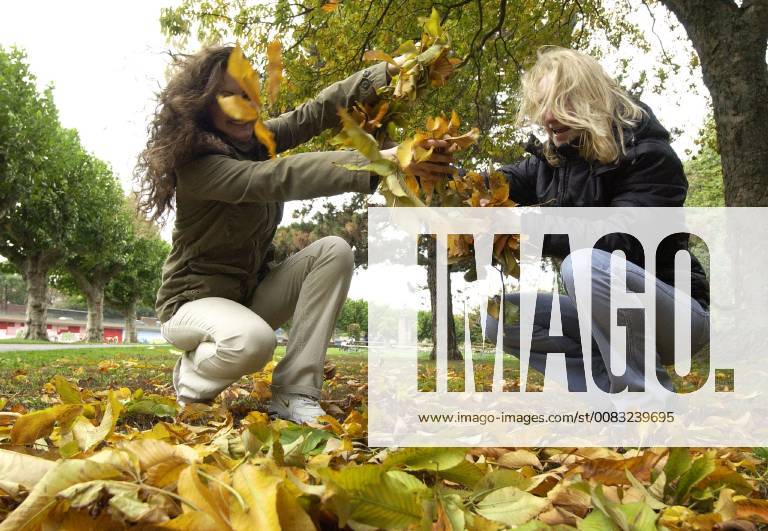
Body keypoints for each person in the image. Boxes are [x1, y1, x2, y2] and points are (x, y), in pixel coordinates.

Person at [136, 45, 451, 423]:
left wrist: (387, 73)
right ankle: (191, 379)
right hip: (190, 304)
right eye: (226, 95)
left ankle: (295, 392)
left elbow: (315, 113)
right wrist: (387, 162)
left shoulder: (256, 142)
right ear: (202, 104)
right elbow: (278, 177)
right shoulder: (198, 168)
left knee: (334, 251)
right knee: (254, 342)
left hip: (248, 297)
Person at [486, 46, 710, 394]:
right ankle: (605, 401)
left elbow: (620, 242)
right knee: (500, 317)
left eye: (560, 101)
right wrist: (439, 176)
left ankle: (645, 411)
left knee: (585, 265)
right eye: (542, 104)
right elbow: (496, 184)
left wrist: (527, 231)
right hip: (603, 320)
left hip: (677, 316)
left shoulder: (647, 154)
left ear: (592, 98)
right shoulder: (551, 161)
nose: (547, 116)